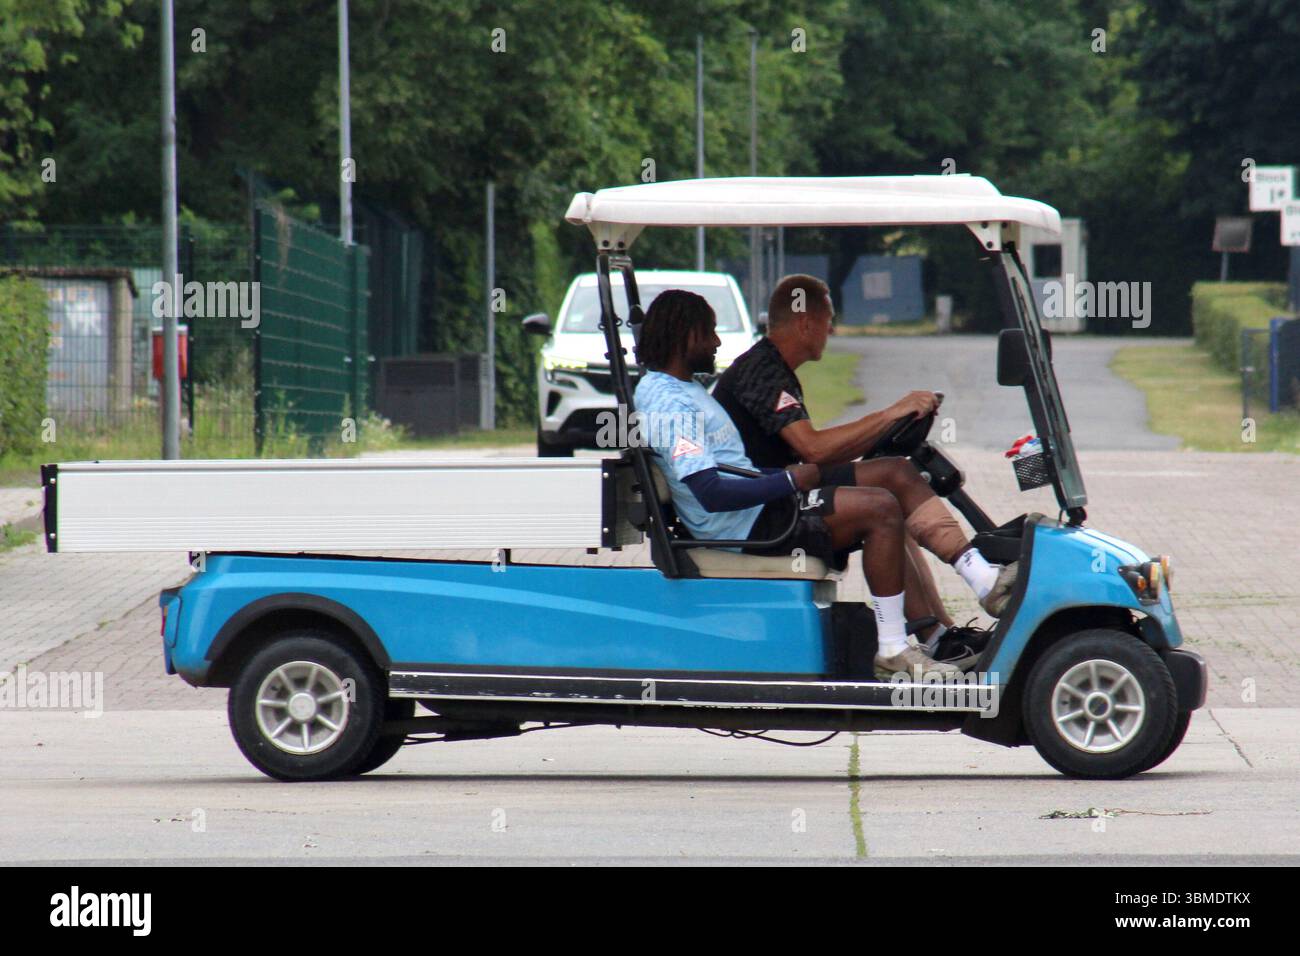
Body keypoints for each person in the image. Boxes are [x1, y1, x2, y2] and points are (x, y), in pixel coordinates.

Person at [632, 289, 1015, 681]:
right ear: (686, 334)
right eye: (710, 332)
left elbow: (734, 469)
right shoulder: (669, 403)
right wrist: (787, 479)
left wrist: (785, 480)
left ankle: (981, 584)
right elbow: (711, 493)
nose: (717, 342)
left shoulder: (687, 390)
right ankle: (893, 651)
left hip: (757, 509)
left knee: (893, 477)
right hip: (747, 526)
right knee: (880, 509)